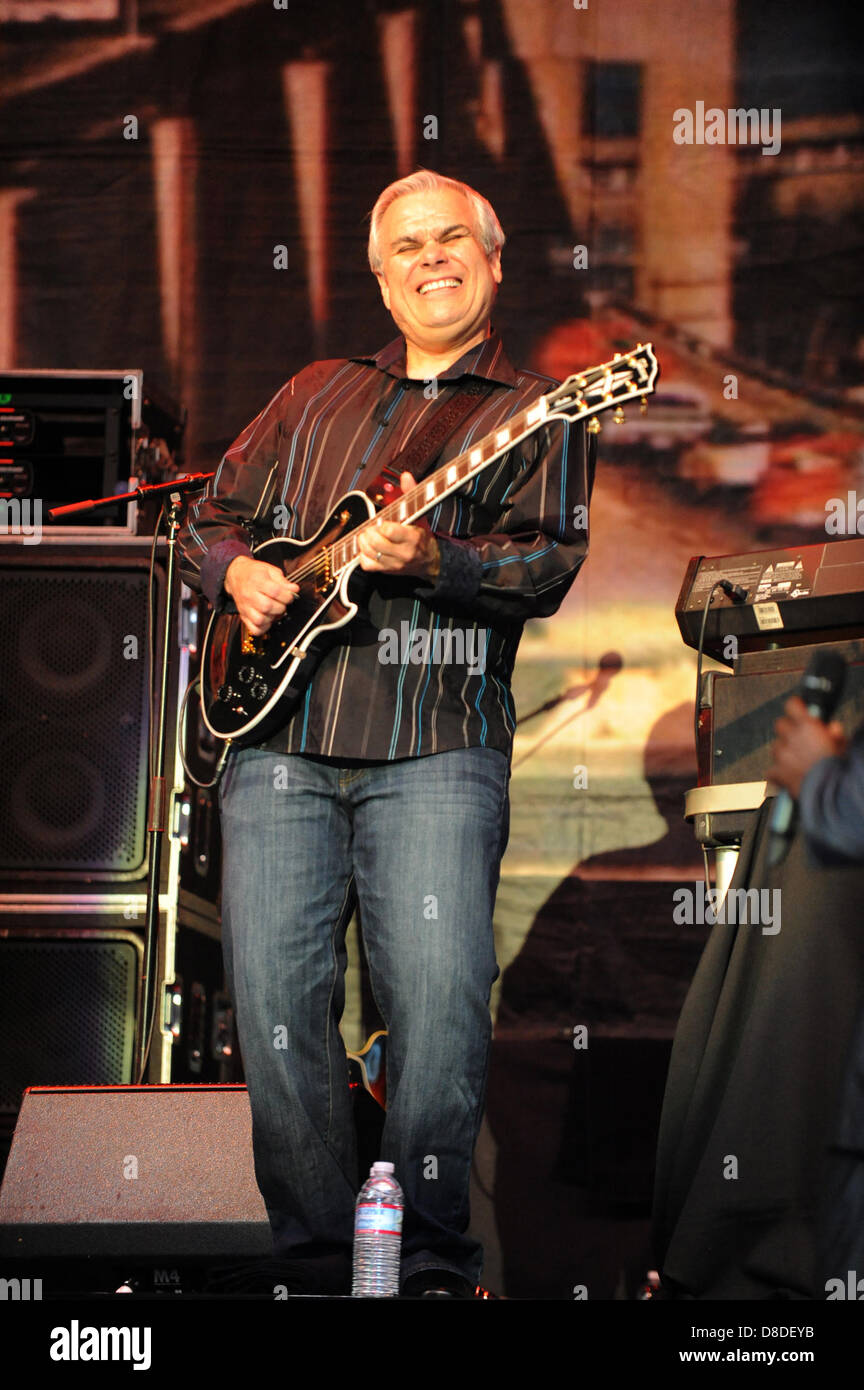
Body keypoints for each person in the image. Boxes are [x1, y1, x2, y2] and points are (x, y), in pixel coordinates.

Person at [178, 170, 593, 1297]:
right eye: (406, 245)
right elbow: (208, 513)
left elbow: (548, 561)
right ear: (380, 272)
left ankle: (422, 1263)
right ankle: (315, 1261)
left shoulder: (537, 408)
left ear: (496, 259)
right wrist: (243, 575)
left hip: (437, 746)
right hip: (278, 743)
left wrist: (437, 558)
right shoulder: (315, 390)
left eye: (453, 237)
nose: (431, 257)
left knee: (441, 1010)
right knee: (271, 1009)